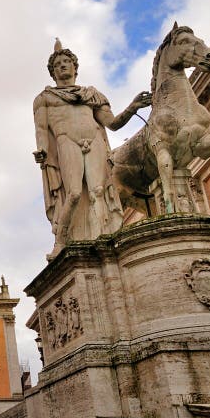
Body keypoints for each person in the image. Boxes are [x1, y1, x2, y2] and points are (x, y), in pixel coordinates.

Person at [33, 39, 150, 259]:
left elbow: (112, 123)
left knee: (98, 191)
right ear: (52, 71)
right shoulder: (44, 99)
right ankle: (61, 241)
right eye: (58, 64)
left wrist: (132, 107)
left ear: (75, 67)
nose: (63, 66)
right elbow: (41, 129)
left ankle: (106, 239)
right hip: (66, 141)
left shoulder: (91, 94)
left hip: (94, 140)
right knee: (75, 193)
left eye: (67, 61)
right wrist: (42, 151)